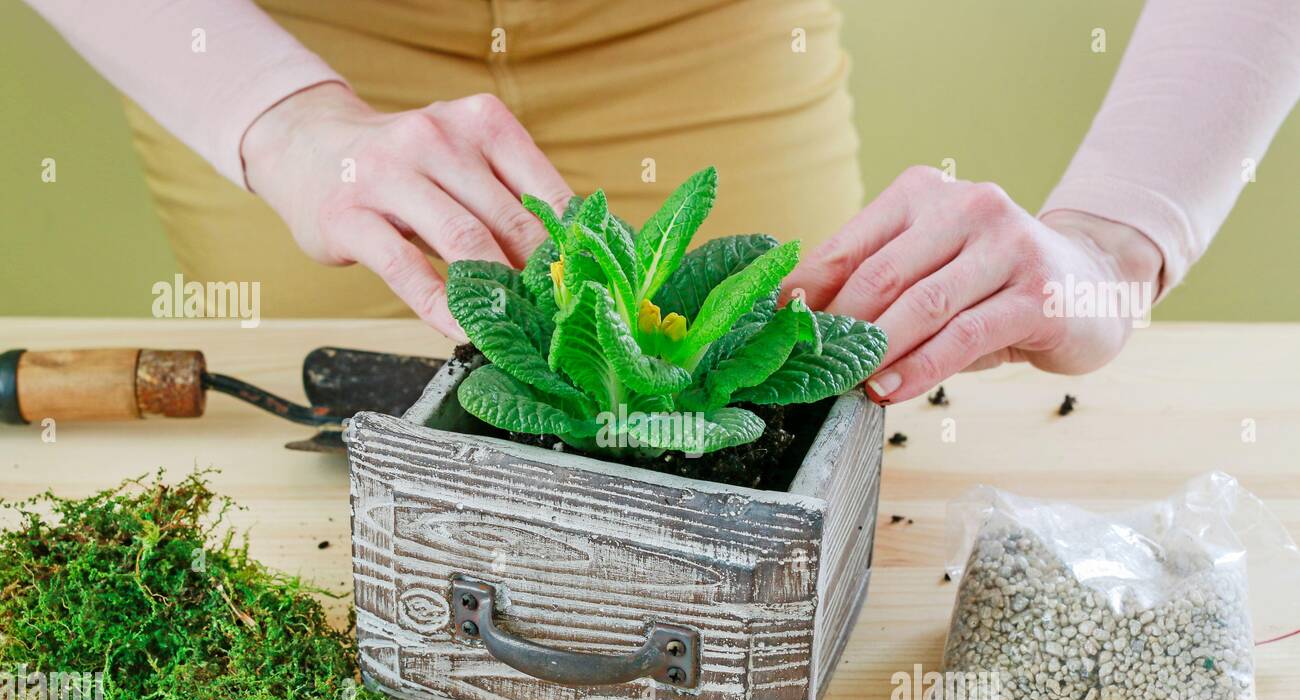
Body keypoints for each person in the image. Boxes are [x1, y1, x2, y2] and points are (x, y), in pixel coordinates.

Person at [27, 0, 1300, 405]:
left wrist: (1118, 239)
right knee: (348, 436)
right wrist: (277, 115)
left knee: (767, 411)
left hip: (702, 37)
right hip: (296, 65)